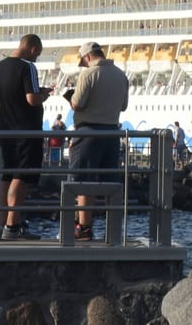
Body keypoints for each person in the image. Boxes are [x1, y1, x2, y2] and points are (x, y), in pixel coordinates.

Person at [66, 41, 129, 241]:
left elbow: (77, 104)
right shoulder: (121, 75)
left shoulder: (89, 74)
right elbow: (124, 106)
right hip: (112, 133)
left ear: (87, 57)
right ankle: (113, 231)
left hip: (88, 132)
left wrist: (69, 97)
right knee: (110, 183)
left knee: (83, 181)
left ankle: (84, 228)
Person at [0, 34, 50, 241]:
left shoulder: (0, 67)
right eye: (38, 55)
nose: (36, 59)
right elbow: (32, 99)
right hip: (26, 131)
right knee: (21, 176)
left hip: (6, 129)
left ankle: (3, 222)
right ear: (33, 49)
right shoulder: (27, 67)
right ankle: (13, 225)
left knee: (7, 176)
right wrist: (44, 94)